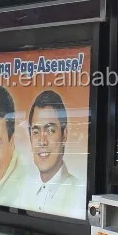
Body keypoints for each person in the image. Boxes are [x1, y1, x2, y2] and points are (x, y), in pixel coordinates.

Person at [28, 90, 85, 219]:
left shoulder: (79, 193)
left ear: (64, 135)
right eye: (36, 132)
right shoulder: (23, 189)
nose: (42, 141)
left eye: (50, 130)